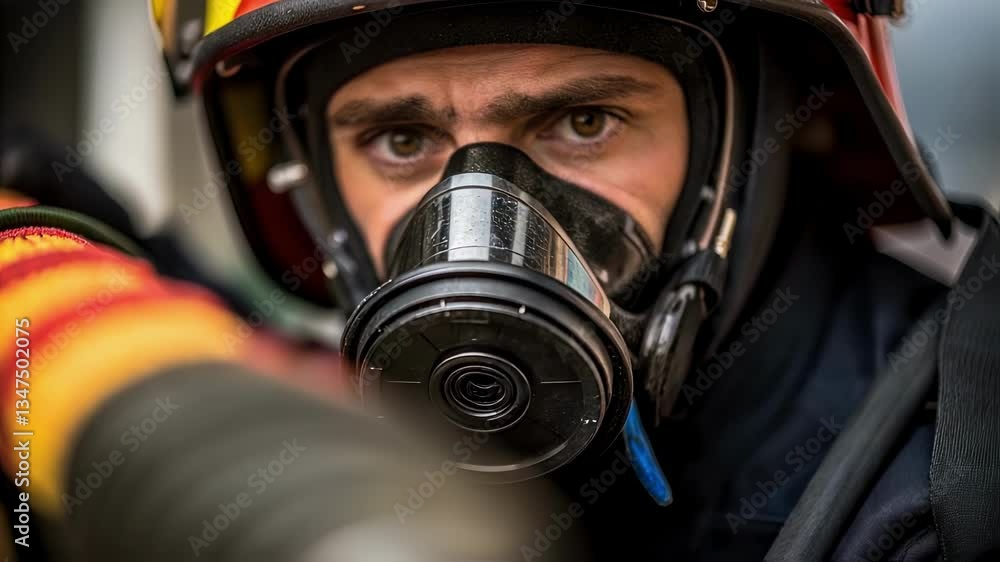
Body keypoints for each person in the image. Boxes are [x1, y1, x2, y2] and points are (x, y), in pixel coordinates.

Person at [2, 0, 998, 560]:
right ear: (317, 200)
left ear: (768, 139)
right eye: (400, 139)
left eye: (583, 121)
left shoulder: (956, 492)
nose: (477, 224)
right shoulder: (291, 441)